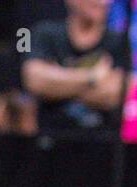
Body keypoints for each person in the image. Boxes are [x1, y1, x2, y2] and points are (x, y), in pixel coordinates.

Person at [21, 0, 130, 136]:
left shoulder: (119, 42)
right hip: (50, 141)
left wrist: (56, 83)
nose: (103, 2)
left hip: (103, 143)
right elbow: (34, 81)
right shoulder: (45, 33)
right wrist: (93, 77)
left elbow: (114, 94)